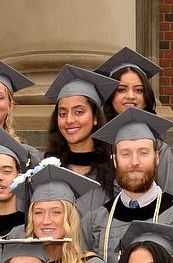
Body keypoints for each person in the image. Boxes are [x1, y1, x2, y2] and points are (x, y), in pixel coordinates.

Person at [81, 109, 173, 263]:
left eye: (143, 152)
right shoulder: (95, 221)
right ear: (115, 160)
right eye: (126, 153)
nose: (134, 162)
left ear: (157, 158)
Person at [96, 47, 173, 194]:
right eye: (122, 89)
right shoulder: (97, 144)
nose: (131, 96)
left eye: (139, 90)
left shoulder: (160, 148)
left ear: (146, 98)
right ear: (111, 97)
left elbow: (168, 202)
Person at [43, 65, 118, 208]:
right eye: (63, 114)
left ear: (95, 117)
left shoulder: (113, 169)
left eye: (79, 112)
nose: (69, 120)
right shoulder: (48, 168)